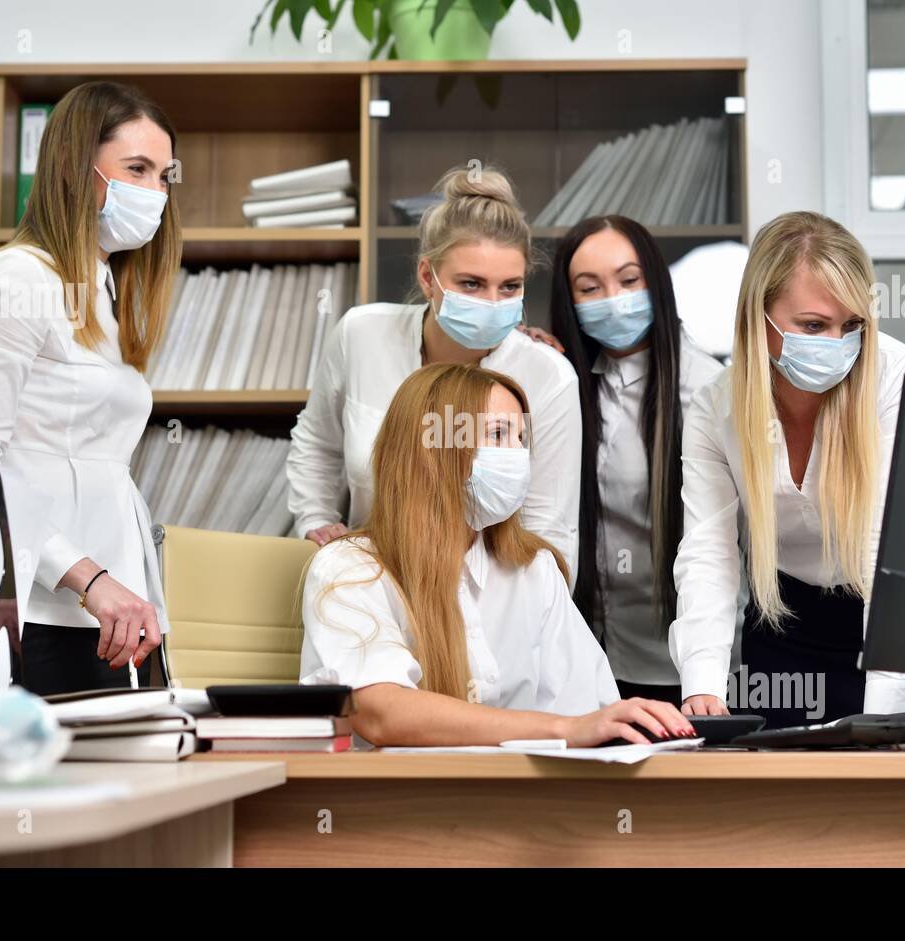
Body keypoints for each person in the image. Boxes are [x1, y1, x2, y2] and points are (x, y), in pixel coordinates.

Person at [299, 363, 693, 746]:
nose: (517, 456)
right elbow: (381, 714)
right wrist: (561, 730)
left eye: (520, 439)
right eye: (498, 434)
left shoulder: (535, 569)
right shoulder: (349, 569)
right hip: (398, 804)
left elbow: (587, 709)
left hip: (520, 802)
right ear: (428, 450)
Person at [0, 81, 180, 695]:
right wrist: (90, 579)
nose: (154, 193)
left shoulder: (105, 290)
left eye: (163, 176)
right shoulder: (17, 280)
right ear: (78, 168)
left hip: (114, 608)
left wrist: (116, 584)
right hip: (37, 607)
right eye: (137, 169)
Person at [670, 210, 905, 727]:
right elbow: (709, 548)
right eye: (814, 326)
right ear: (759, 315)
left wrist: (883, 720)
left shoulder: (896, 375)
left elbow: (887, 544)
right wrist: (702, 681)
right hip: (785, 622)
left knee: (892, 794)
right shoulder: (714, 408)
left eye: (853, 326)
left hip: (891, 618)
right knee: (787, 800)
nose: (838, 343)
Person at [287, 166, 583, 586]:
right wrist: (315, 519)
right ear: (428, 277)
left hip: (495, 602)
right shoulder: (361, 334)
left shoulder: (548, 376)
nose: (493, 302)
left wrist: (526, 622)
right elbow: (316, 443)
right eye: (472, 284)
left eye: (509, 287)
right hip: (364, 589)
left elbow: (550, 529)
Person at [548, 215, 722, 706]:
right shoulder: (561, 380)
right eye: (589, 287)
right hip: (578, 652)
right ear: (570, 301)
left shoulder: (706, 389)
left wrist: (703, 672)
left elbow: (719, 548)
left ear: (656, 281)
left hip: (677, 663)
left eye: (629, 280)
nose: (613, 299)